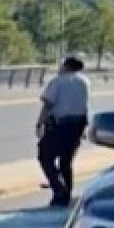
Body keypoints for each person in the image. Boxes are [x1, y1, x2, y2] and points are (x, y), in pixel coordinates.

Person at [36, 56, 91, 207]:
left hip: (60, 125)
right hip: (78, 125)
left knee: (45, 156)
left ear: (66, 66)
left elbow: (48, 104)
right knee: (66, 161)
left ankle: (59, 188)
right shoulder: (84, 82)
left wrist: (40, 123)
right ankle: (65, 195)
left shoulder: (58, 81)